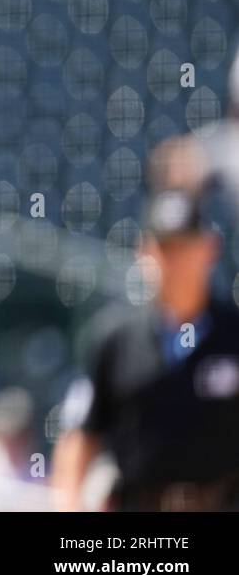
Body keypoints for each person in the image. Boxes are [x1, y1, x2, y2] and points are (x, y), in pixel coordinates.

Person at [53, 184, 239, 510]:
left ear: (210, 248)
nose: (175, 261)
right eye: (165, 248)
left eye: (185, 247)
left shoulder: (233, 334)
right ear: (144, 252)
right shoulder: (115, 337)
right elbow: (79, 439)